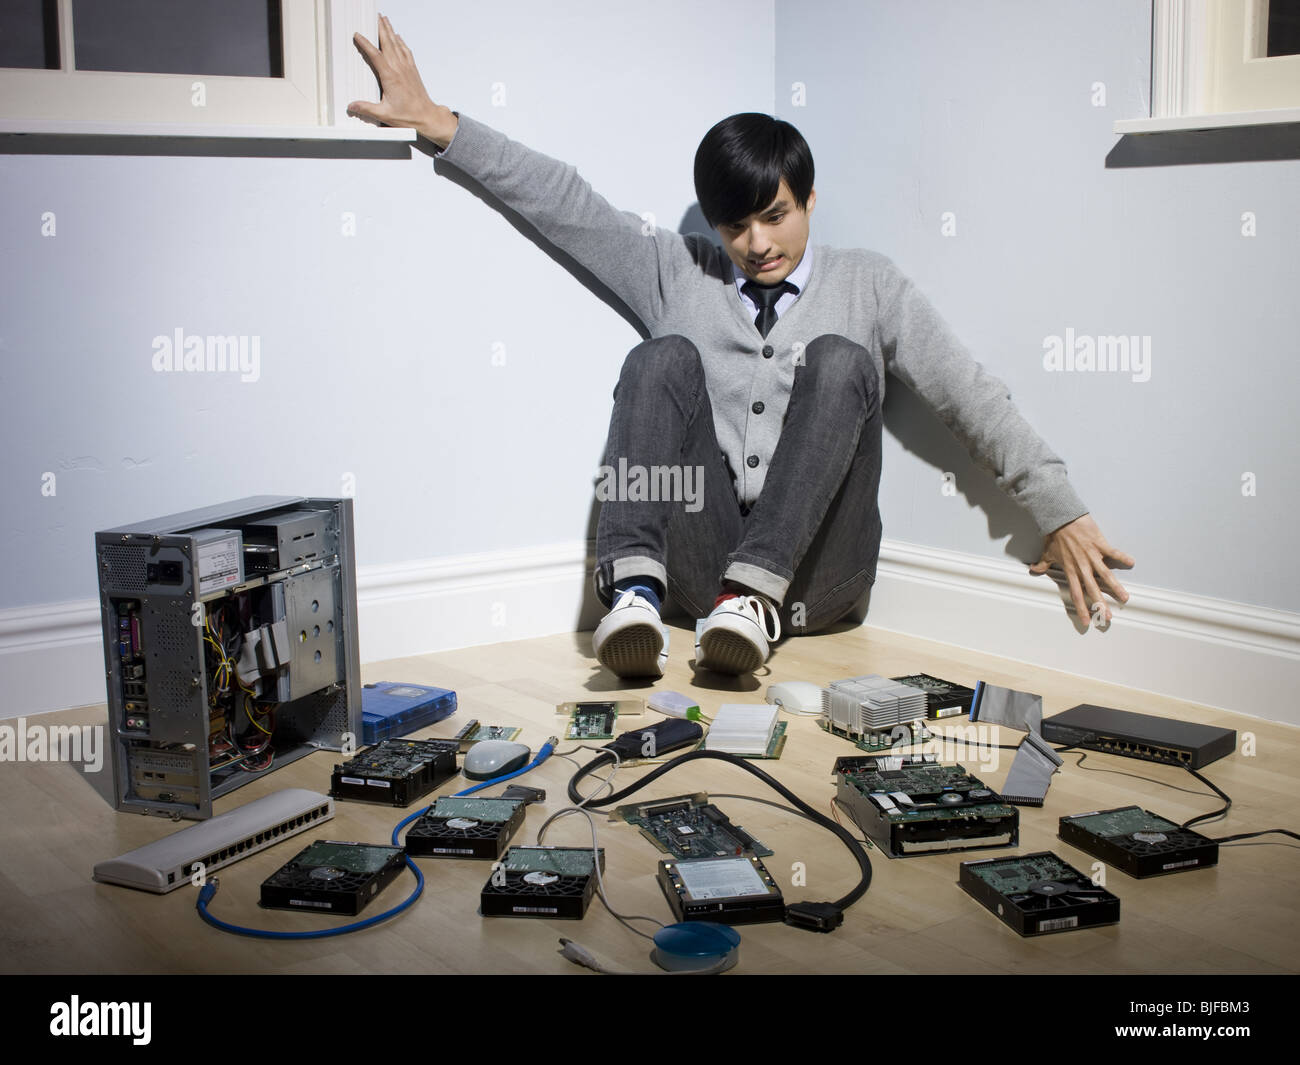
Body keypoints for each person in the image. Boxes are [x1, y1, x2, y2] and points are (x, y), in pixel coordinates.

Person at [348, 17, 1134, 679]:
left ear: (810, 199)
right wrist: (438, 124)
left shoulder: (870, 284)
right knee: (659, 358)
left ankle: (756, 598)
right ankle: (634, 594)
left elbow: (969, 392)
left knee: (841, 360)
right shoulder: (678, 271)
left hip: (816, 580)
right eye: (735, 228)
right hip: (701, 575)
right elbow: (568, 203)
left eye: (777, 216)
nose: (758, 245)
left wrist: (1058, 508)